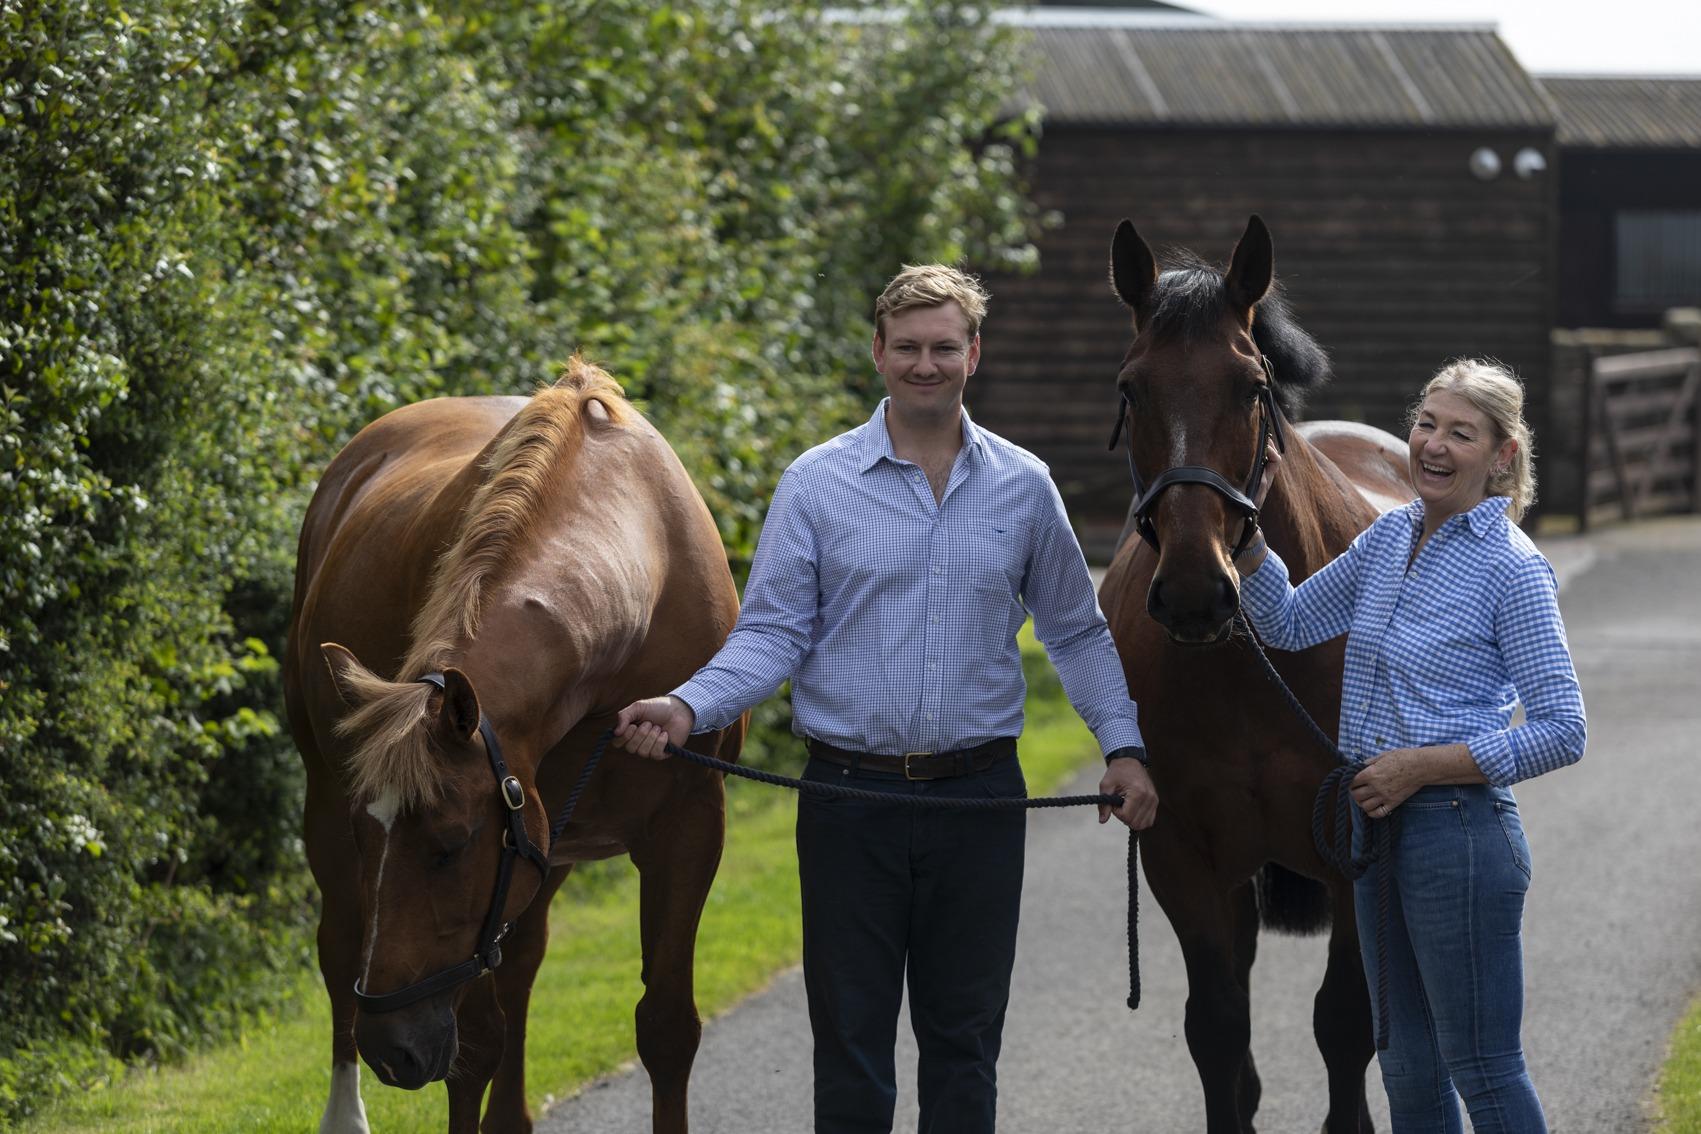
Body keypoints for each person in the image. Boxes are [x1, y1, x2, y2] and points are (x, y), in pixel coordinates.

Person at [614, 264, 1158, 1134]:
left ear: (972, 354)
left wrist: (1122, 748)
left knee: (964, 1042)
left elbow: (1076, 633)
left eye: (944, 347)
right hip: (847, 802)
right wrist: (687, 705)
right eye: (906, 347)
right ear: (877, 352)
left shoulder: (1023, 486)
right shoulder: (816, 483)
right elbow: (770, 635)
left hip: (978, 801)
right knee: (852, 1044)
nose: (925, 364)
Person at [1232, 358, 1586, 1133]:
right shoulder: (1388, 537)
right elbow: (1289, 623)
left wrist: (1419, 766)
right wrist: (1249, 534)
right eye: (1426, 423)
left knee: (1483, 1071)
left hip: (1455, 833)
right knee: (1406, 1069)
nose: (1432, 444)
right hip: (1372, 832)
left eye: (1460, 433)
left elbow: (1564, 728)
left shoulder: (1511, 570)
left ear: (1501, 455)